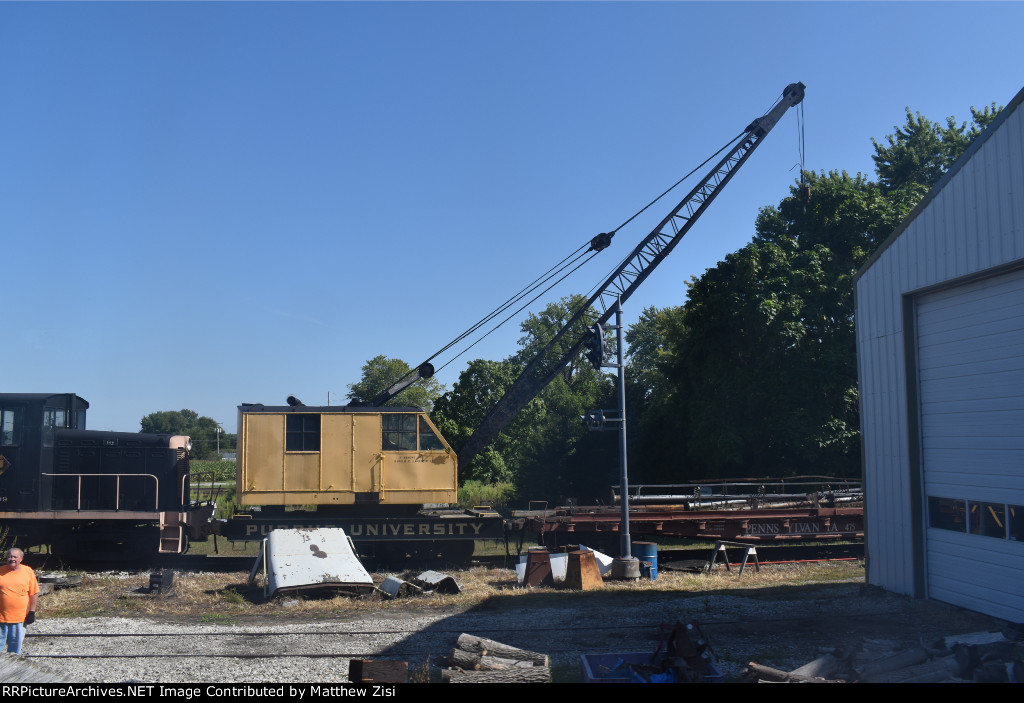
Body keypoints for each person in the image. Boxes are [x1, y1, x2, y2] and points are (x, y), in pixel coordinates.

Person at [0, 548, 38, 654]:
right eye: (9, 556)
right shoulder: (0, 571)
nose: (12, 559)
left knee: (14, 653)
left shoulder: (28, 571)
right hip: (0, 619)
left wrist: (32, 612)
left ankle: (12, 670)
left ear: (21, 559)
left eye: (14, 557)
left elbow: (34, 592)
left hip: (19, 619)